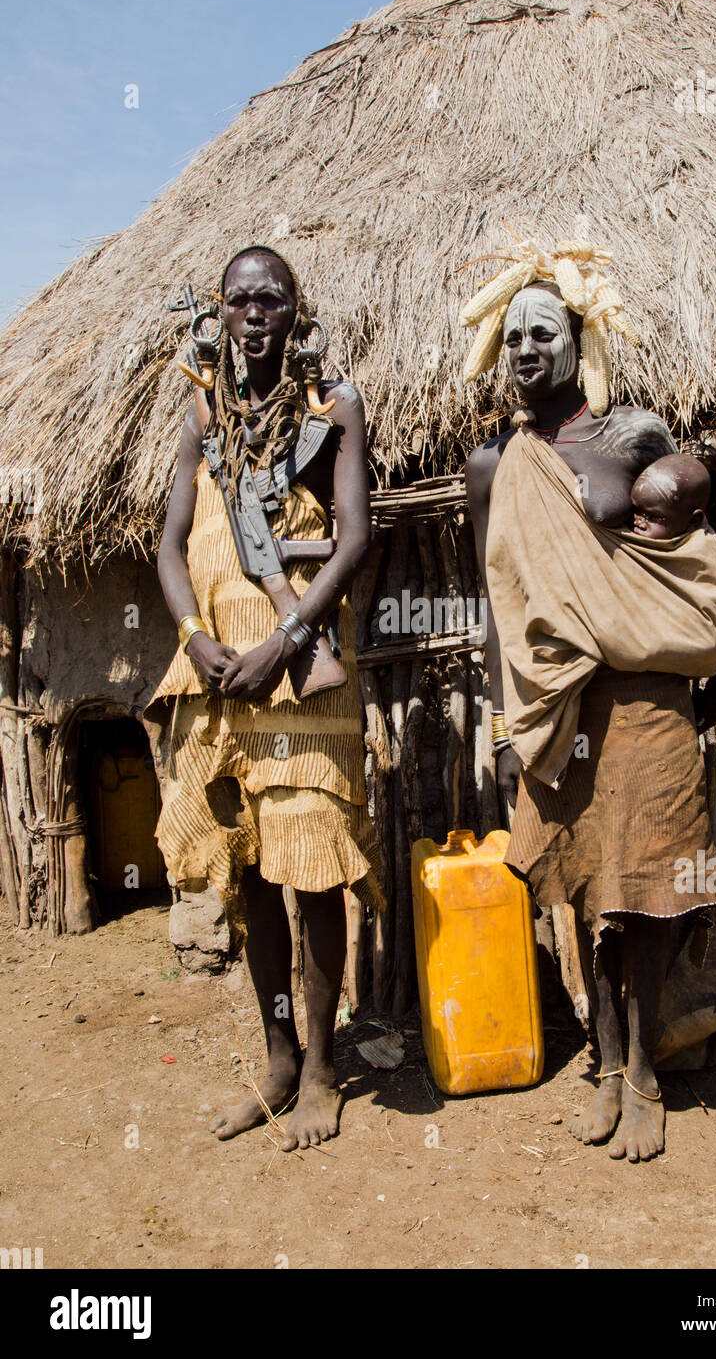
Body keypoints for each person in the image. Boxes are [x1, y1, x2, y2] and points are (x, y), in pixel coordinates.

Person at [464, 247, 716, 1162]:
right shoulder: (495, 464)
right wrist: (507, 722)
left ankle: (648, 1067)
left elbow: (694, 565)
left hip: (649, 701)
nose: (527, 349)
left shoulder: (638, 438)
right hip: (557, 709)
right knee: (584, 889)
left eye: (546, 332)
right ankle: (608, 1060)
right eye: (514, 338)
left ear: (580, 342)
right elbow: (498, 600)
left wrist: (714, 673)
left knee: (647, 889)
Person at [146, 246, 382, 1150]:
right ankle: (278, 1059)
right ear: (222, 308)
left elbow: (356, 537)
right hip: (214, 685)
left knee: (313, 875)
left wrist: (284, 637)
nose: (253, 314)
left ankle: (324, 1069)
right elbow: (170, 546)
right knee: (246, 873)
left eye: (270, 299)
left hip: (300, 682)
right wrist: (195, 639)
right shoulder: (203, 413)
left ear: (294, 310)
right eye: (239, 299)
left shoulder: (335, 407)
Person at [630, 453, 711, 540]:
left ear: (694, 520)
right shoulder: (619, 538)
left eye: (654, 517)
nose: (638, 522)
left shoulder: (700, 552)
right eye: (636, 511)